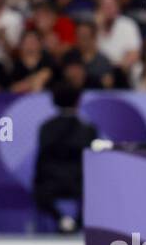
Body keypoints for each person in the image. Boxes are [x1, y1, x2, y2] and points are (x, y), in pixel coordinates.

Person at [33, 79, 98, 232]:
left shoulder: (46, 128)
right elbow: (94, 163)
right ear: (78, 101)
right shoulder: (88, 129)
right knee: (95, 192)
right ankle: (74, 222)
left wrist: (39, 181)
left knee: (39, 193)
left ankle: (62, 220)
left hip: (51, 183)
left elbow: (41, 159)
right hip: (78, 183)